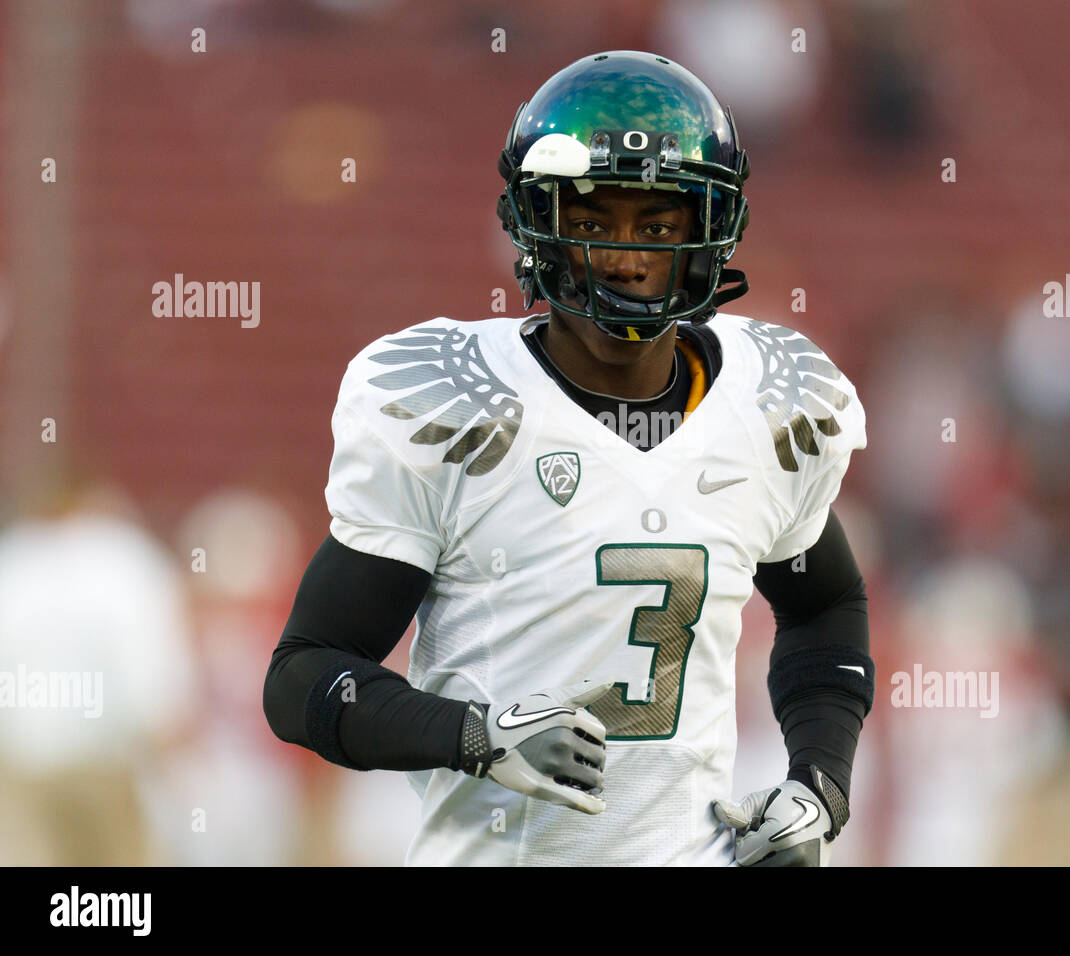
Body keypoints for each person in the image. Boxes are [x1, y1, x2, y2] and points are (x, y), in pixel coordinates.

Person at [263, 50, 873, 866]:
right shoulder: (461, 407)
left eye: (656, 227)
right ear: (536, 224)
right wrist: (475, 735)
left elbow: (824, 609)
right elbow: (304, 677)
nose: (623, 256)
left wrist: (819, 785)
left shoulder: (767, 407)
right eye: (592, 222)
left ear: (706, 234)